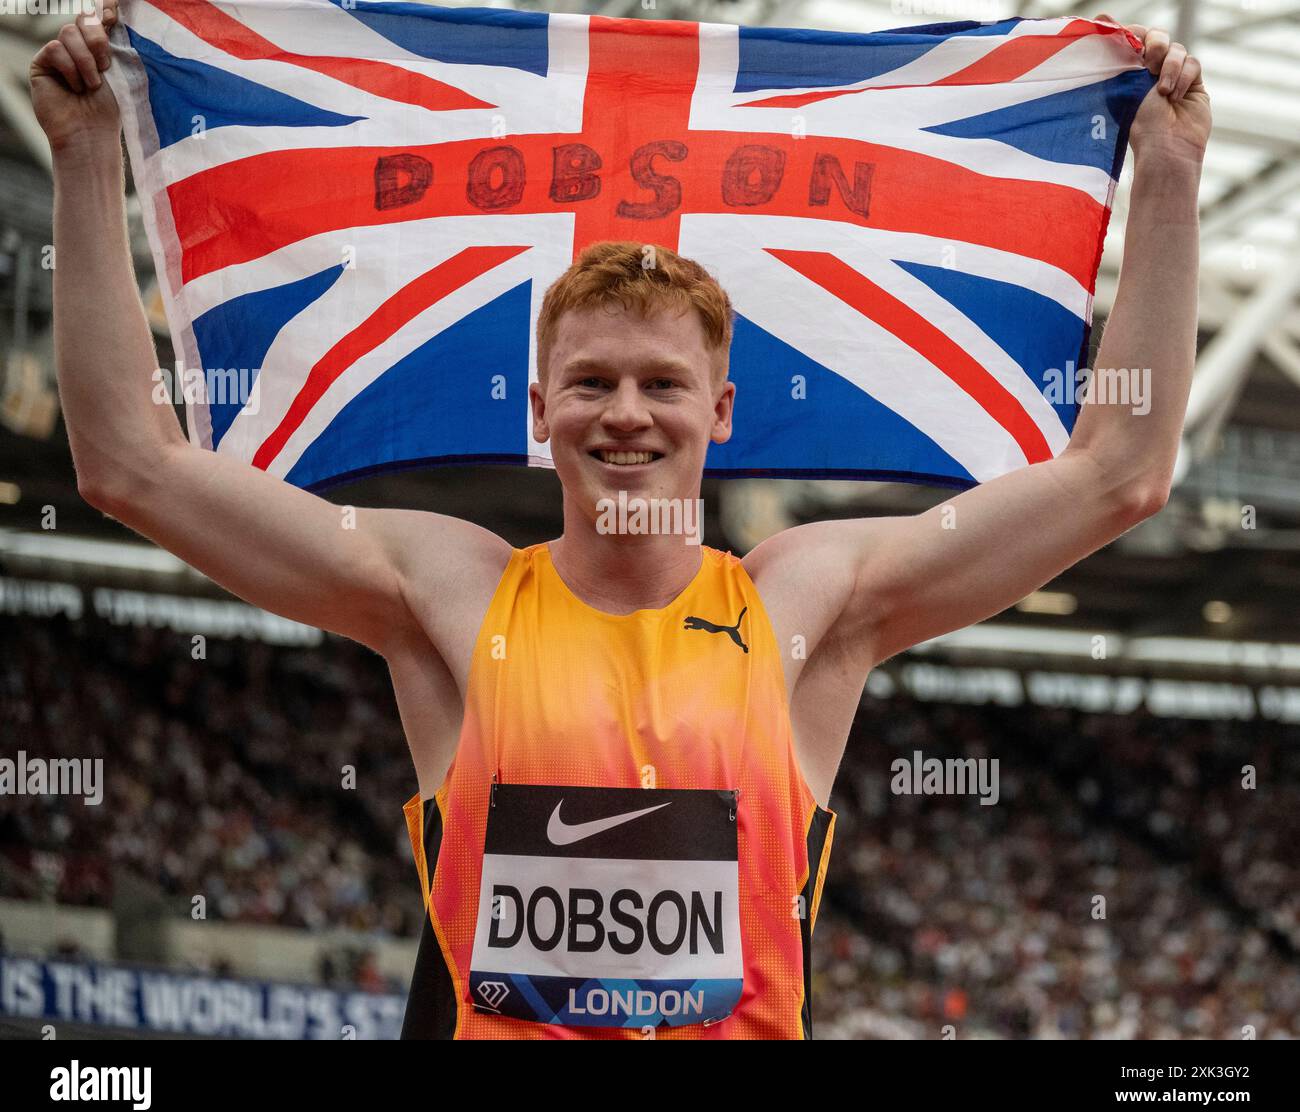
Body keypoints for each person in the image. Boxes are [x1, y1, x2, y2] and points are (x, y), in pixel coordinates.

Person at [30, 4, 1209, 1039]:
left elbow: (1121, 472)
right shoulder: (451, 592)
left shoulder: (804, 602)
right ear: (540, 409)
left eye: (661, 383)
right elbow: (131, 464)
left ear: (723, 409)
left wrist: (1166, 179)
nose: (625, 415)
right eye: (591, 382)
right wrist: (85, 161)